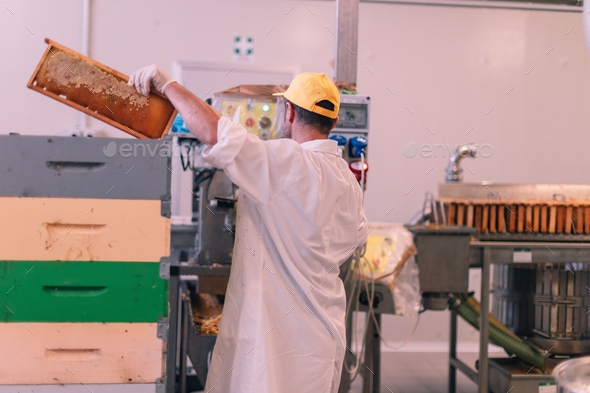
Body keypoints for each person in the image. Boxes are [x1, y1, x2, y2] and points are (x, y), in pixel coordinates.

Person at [129, 66, 367, 393]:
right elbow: (355, 238)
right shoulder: (347, 180)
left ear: (289, 112)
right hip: (322, 336)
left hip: (276, 337)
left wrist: (166, 84)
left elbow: (215, 133)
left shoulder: (285, 161)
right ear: (334, 122)